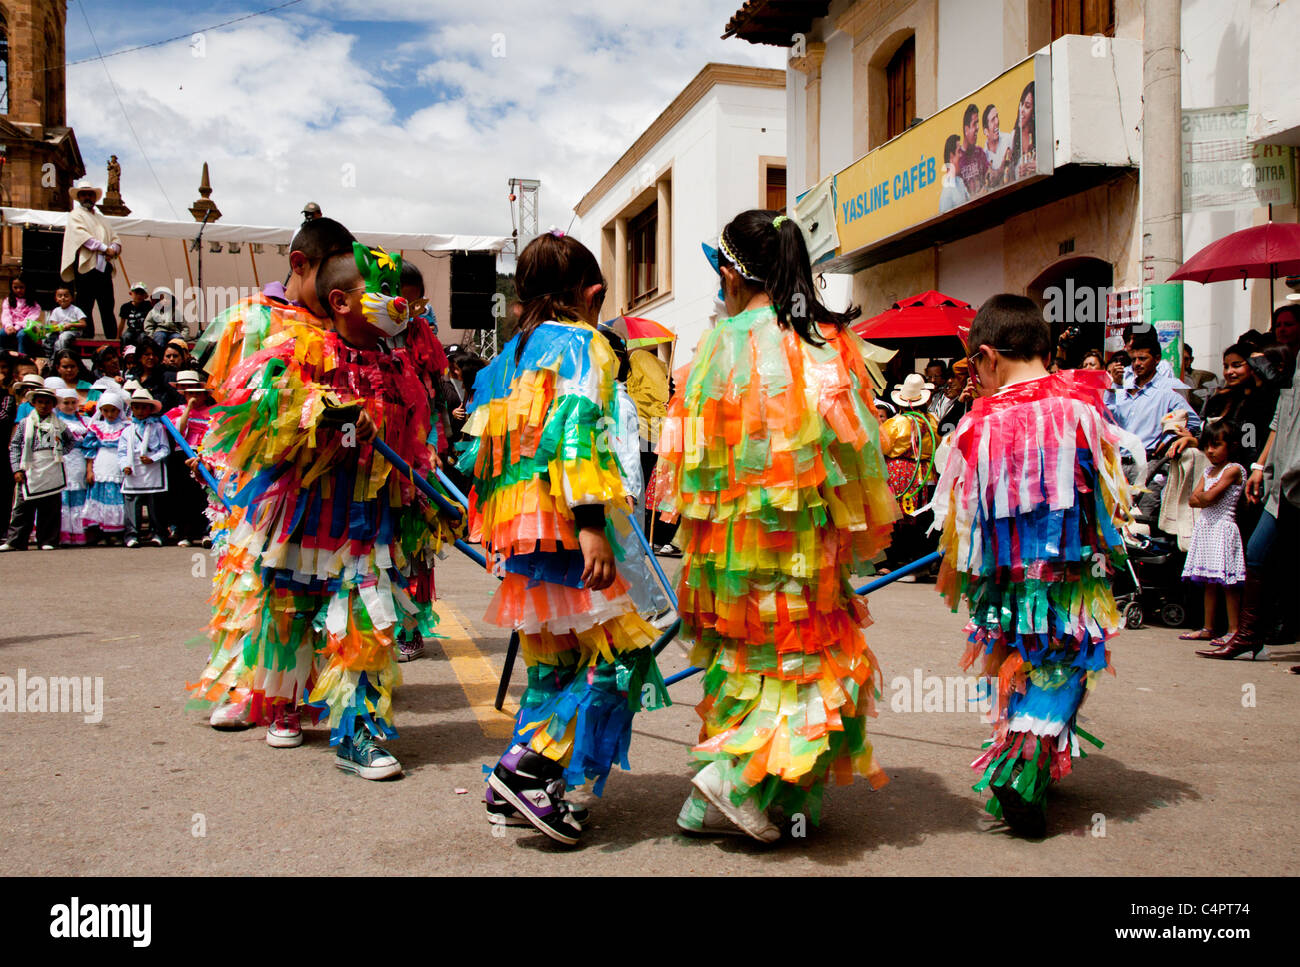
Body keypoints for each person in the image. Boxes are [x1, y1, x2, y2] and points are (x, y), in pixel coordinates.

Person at [658, 210, 897, 843]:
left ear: (733, 273)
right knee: (803, 665)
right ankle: (734, 782)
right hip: (800, 538)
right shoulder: (823, 348)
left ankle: (708, 804)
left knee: (744, 664)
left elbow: (686, 456)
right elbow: (856, 455)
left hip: (725, 542)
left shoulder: (716, 345)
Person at [196, 242, 443, 778]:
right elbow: (251, 412)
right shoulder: (299, 350)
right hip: (302, 517)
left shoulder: (401, 367)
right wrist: (323, 411)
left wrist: (424, 498)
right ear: (341, 301)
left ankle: (358, 733)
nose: (397, 303)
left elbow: (416, 444)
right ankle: (285, 706)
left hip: (368, 522)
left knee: (365, 622)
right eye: (382, 293)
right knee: (291, 615)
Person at [462, 232, 667, 844]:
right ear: (593, 293)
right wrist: (590, 525)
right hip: (566, 529)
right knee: (621, 659)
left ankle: (527, 786)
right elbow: (577, 431)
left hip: (521, 539)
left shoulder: (501, 363)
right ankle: (527, 772)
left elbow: (482, 457)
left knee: (552, 668)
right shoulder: (585, 344)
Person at [931, 293, 1137, 837]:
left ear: (989, 356)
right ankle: (1024, 759)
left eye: (974, 365)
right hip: (1072, 575)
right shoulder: (1081, 411)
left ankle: (1022, 756)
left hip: (1001, 581)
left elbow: (962, 514)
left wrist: (966, 571)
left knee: (1015, 661)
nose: (976, 378)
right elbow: (1109, 499)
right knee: (1065, 662)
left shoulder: (975, 426)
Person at [1198, 346, 1300, 663]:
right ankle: (1248, 635)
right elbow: (1278, 421)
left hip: (1292, 476)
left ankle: (1249, 634)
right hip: (1282, 477)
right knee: (1256, 554)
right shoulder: (1283, 379)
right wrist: (1260, 466)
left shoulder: (1274, 381)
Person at [1178, 422, 1246, 646]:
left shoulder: (1234, 469)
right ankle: (1208, 627)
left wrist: (1203, 496)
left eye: (1216, 445)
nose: (1210, 451)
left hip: (1223, 529)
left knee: (1228, 583)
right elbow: (1192, 499)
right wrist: (1203, 496)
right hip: (1206, 528)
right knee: (1209, 581)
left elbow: (1207, 498)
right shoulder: (1208, 471)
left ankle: (1233, 629)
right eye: (1207, 446)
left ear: (1232, 446)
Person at [0, 377, 74, 552]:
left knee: (50, 507)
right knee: (22, 508)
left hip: (51, 470)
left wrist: (58, 454)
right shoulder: (25, 424)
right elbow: (15, 445)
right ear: (33, 403)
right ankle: (16, 540)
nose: (43, 406)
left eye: (47, 403)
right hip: (30, 468)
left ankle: (48, 539)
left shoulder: (59, 425)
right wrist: (17, 468)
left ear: (52, 405)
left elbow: (70, 441)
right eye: (40, 402)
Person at [59, 182, 121, 339]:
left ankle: (112, 339)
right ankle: (87, 338)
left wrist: (113, 249)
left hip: (103, 266)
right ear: (79, 197)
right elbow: (82, 236)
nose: (87, 197)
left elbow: (115, 238)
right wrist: (104, 248)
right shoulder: (75, 215)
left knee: (107, 306)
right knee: (85, 306)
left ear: (94, 197)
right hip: (86, 267)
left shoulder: (102, 218)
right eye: (84, 194)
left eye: (90, 194)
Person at [163, 371, 214, 547]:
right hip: (182, 455)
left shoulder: (213, 412)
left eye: (197, 392)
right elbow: (178, 432)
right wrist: (189, 409)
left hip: (204, 456)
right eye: (189, 393)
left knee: (202, 495)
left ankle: (205, 531)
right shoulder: (176, 411)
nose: (194, 396)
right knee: (183, 496)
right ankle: (184, 533)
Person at [118, 388, 171, 547]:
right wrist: (125, 466)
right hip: (134, 470)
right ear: (132, 409)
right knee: (132, 503)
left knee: (155, 504)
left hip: (152, 469)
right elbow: (121, 452)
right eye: (137, 407)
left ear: (150, 409)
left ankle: (158, 533)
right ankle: (132, 535)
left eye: (144, 407)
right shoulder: (127, 431)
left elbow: (165, 448)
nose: (140, 411)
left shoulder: (157, 428)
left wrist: (152, 458)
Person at [54, 388, 94, 546]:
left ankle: (77, 533)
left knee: (78, 495)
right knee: (62, 496)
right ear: (58, 403)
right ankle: (61, 534)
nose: (70, 406)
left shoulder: (84, 420)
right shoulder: (55, 420)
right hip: (61, 458)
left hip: (79, 459)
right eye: (66, 403)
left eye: (73, 402)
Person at [1, 277, 43, 357]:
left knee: (21, 335)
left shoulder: (34, 304)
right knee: (2, 333)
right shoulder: (8, 301)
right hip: (10, 326)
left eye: (21, 287)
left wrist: (16, 327)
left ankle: (22, 357)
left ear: (26, 287)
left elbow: (30, 319)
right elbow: (6, 315)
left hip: (25, 327)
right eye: (15, 287)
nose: (18, 290)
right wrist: (9, 326)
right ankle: (2, 356)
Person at [956, 103, 990, 197]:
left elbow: (988, 178)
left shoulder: (980, 153)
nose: (978, 128)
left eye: (978, 123)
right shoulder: (957, 158)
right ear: (966, 129)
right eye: (974, 123)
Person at [46, 286, 88, 358]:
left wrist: (71, 325)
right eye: (60, 296)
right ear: (56, 299)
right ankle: (50, 356)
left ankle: (60, 357)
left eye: (66, 296)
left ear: (72, 298)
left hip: (73, 331)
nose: (63, 298)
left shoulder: (76, 309)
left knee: (63, 338)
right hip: (60, 331)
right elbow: (54, 324)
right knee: (48, 337)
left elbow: (83, 324)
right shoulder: (56, 310)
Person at [1008, 82, 1037, 180]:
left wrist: (1039, 167)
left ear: (1034, 112)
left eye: (1027, 106)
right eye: (1022, 104)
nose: (1022, 110)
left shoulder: (1041, 137)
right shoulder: (1012, 138)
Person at [145, 287, 186, 351]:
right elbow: (148, 325)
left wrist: (183, 336)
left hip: (174, 332)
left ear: (172, 300)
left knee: (178, 340)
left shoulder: (176, 312)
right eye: (162, 299)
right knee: (159, 337)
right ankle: (160, 356)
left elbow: (184, 326)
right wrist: (152, 336)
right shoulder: (153, 312)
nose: (165, 300)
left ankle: (176, 356)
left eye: (168, 298)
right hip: (159, 331)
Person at [938, 134, 970, 214]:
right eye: (959, 151)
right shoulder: (947, 193)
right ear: (951, 157)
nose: (962, 155)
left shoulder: (959, 181)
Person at [982, 103, 1012, 188]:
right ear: (986, 131)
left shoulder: (1008, 139)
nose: (997, 121)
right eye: (992, 120)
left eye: (997, 117)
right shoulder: (984, 157)